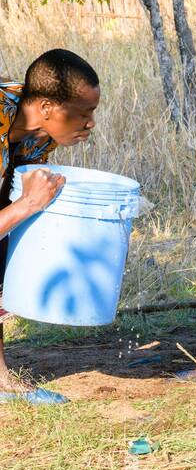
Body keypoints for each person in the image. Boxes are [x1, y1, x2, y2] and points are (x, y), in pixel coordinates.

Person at [0, 49, 100, 404]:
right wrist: (28, 203)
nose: (90, 123)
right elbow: (23, 203)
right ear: (46, 108)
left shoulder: (38, 134)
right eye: (83, 113)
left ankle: (1, 381)